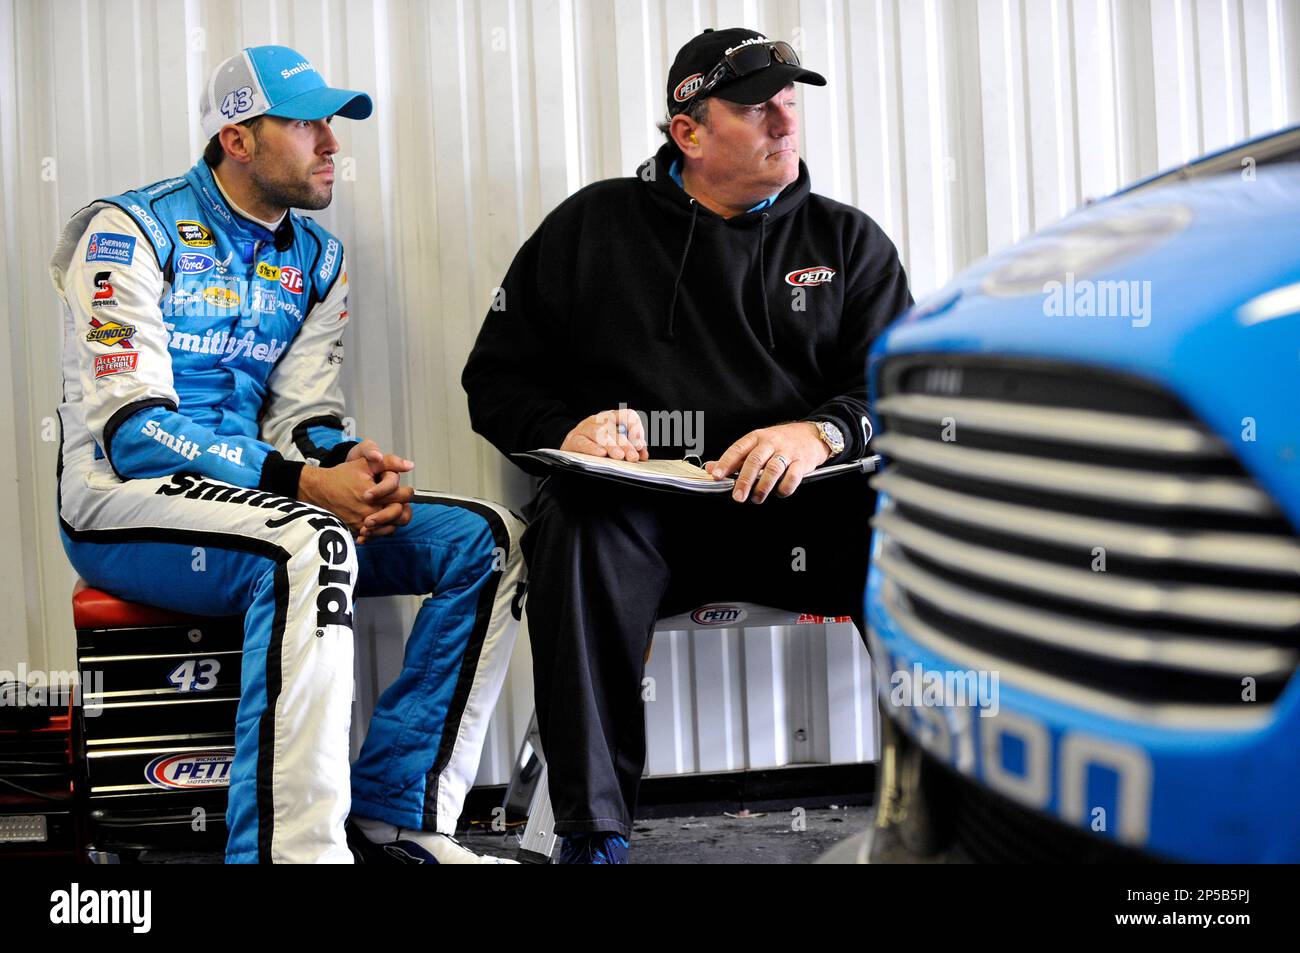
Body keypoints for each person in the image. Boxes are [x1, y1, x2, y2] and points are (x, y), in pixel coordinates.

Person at [51, 45, 523, 864]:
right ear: (238, 139)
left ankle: (400, 817)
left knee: (490, 538)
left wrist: (350, 465)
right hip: (119, 503)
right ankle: (291, 851)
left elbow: (304, 415)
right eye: (306, 124)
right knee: (312, 539)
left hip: (258, 496)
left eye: (331, 124)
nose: (331, 143)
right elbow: (132, 433)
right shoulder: (127, 231)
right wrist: (306, 484)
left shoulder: (319, 259)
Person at [463, 27, 913, 863]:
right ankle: (594, 833)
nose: (785, 123)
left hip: (807, 519)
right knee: (572, 526)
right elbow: (495, 380)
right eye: (755, 108)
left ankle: (944, 816)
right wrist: (568, 430)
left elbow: (903, 386)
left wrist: (821, 431)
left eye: (790, 102)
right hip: (648, 524)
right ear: (689, 133)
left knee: (920, 531)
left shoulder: (847, 243)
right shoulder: (589, 228)